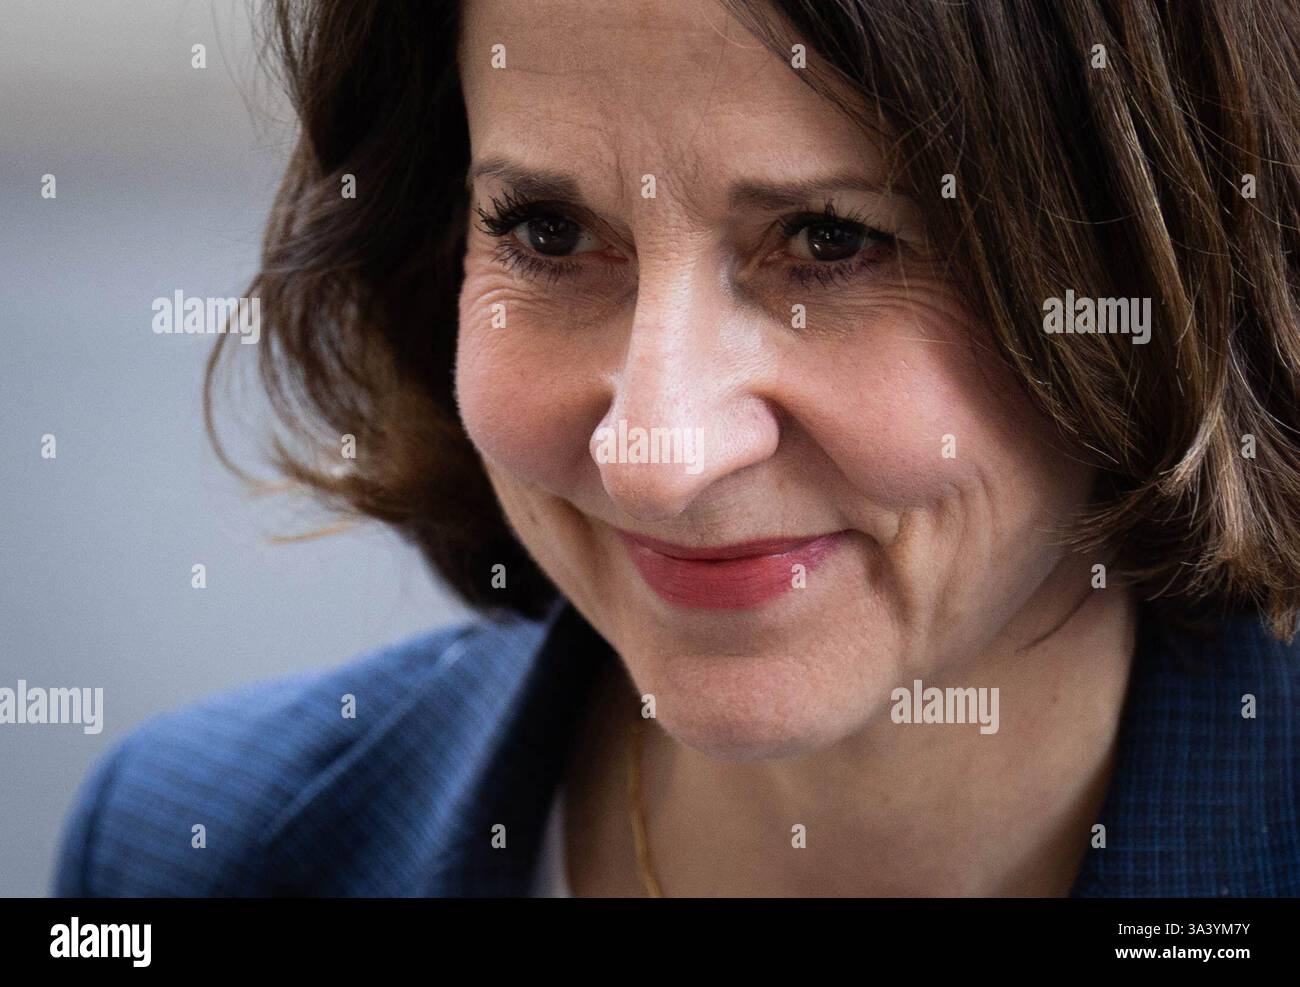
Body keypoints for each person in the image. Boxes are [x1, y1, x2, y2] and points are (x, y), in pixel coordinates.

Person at [55, 0, 1300, 897]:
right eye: (545, 233)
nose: (657, 455)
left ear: (1151, 267)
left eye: (829, 241)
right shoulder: (195, 849)